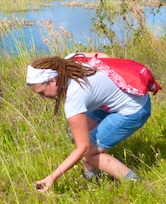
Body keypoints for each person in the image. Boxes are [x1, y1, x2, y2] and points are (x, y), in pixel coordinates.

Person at [26, 52, 152, 193]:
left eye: (42, 93)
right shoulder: (70, 61)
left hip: (134, 109)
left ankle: (137, 185)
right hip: (119, 99)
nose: (43, 97)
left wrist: (53, 176)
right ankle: (94, 180)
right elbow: (103, 56)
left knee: (88, 154)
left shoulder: (74, 97)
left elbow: (83, 148)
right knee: (75, 134)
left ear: (52, 81)